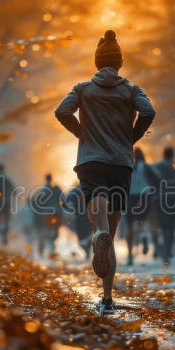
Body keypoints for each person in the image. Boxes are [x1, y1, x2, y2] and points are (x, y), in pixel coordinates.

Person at [55, 29, 156, 315]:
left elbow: (61, 111)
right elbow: (149, 112)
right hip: (121, 164)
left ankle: (97, 232)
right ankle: (108, 297)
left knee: (97, 219)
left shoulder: (82, 89)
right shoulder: (131, 90)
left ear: (97, 63)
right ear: (120, 62)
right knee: (112, 232)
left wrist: (83, 134)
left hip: (91, 161)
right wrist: (130, 139)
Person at [152, 146, 175, 265]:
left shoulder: (157, 167)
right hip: (174, 199)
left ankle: (162, 250)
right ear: (172, 155)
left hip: (160, 199)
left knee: (162, 225)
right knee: (171, 227)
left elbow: (152, 181)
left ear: (163, 154)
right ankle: (168, 251)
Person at [126, 147, 159, 266]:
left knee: (129, 226)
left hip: (130, 197)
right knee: (143, 221)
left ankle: (130, 256)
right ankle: (144, 236)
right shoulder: (146, 167)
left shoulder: (127, 166)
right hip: (145, 195)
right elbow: (157, 180)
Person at [29, 173, 63, 256]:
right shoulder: (57, 187)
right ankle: (53, 242)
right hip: (58, 211)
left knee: (47, 228)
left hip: (47, 212)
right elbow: (63, 197)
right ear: (51, 178)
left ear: (46, 179)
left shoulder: (44, 189)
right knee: (57, 227)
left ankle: (49, 246)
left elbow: (40, 199)